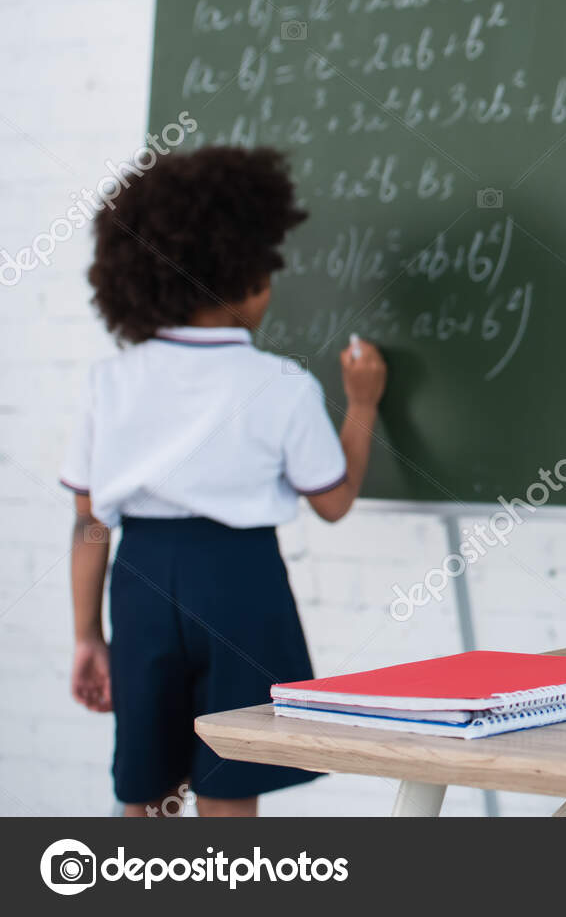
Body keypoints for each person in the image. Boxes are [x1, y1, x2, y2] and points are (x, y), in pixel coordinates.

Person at [61, 145, 387, 816]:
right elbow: (333, 501)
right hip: (242, 582)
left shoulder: (110, 382)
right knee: (232, 782)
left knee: (146, 789)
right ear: (247, 280)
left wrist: (88, 634)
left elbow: (88, 522)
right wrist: (362, 403)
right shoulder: (281, 385)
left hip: (141, 581)